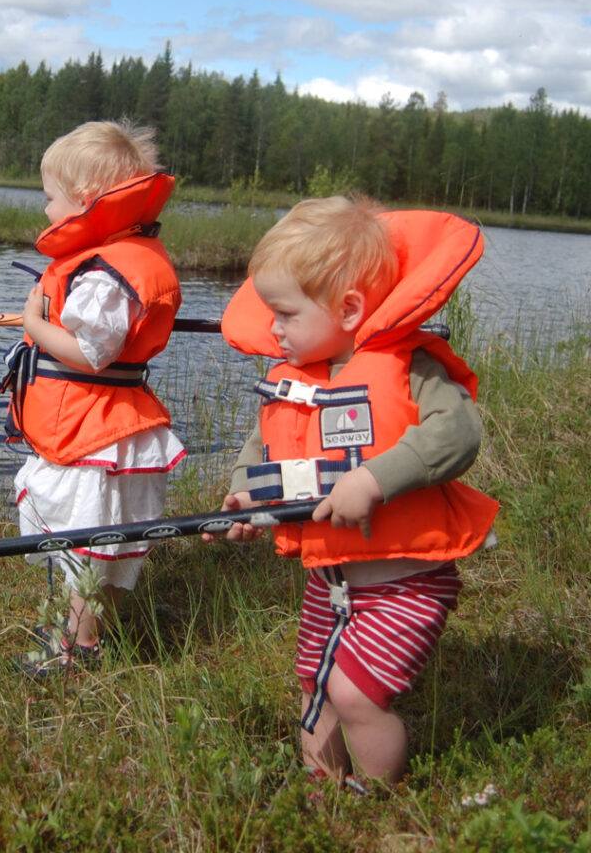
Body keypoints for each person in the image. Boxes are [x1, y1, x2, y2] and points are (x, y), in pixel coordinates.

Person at [204, 195, 499, 788]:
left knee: (356, 693)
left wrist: (374, 478)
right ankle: (323, 788)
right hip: (332, 583)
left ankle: (375, 799)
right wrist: (243, 498)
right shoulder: (294, 382)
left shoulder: (407, 365)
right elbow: (263, 449)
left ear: (348, 307)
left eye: (285, 314)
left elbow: (460, 432)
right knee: (315, 684)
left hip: (406, 583)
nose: (274, 329)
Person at [0, 119, 186, 678]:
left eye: (50, 199)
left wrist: (33, 319)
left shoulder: (110, 275)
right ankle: (81, 633)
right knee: (87, 549)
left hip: (101, 438)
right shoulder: (109, 258)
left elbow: (90, 351)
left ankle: (77, 652)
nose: (47, 211)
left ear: (83, 200)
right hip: (93, 431)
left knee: (89, 549)